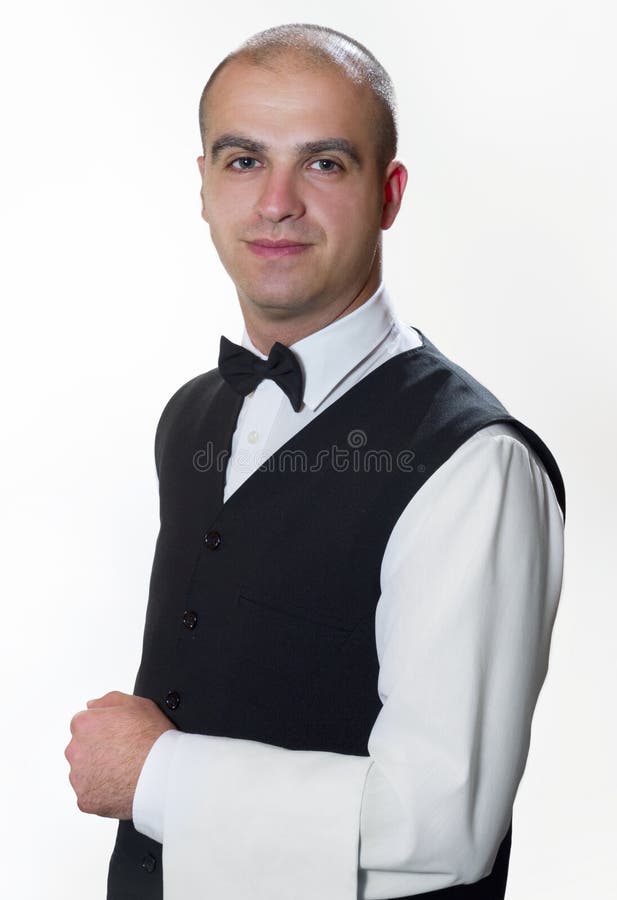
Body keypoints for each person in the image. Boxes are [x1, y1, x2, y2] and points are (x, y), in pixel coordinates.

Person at [65, 23, 566, 900]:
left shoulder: (475, 464)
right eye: (244, 160)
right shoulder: (191, 416)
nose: (276, 202)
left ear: (388, 194)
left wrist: (155, 774)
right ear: (203, 185)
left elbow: (442, 823)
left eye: (324, 163)